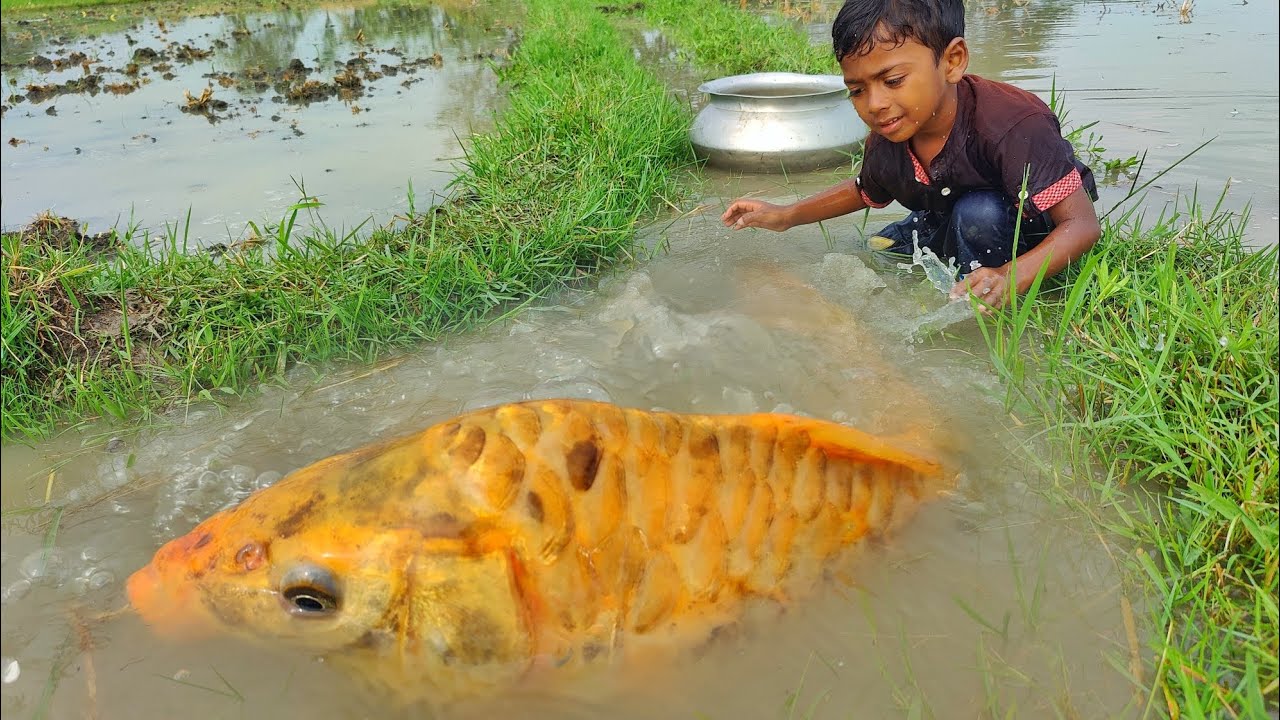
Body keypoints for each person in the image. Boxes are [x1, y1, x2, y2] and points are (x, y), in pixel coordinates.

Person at [721, 0, 1102, 310]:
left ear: (952, 61)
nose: (875, 104)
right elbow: (862, 191)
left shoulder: (1013, 124)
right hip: (942, 214)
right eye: (856, 90)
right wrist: (786, 214)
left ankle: (979, 311)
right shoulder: (889, 137)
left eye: (892, 81)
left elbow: (1082, 225)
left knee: (977, 215)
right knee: (877, 250)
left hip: (1024, 227)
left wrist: (1009, 276)